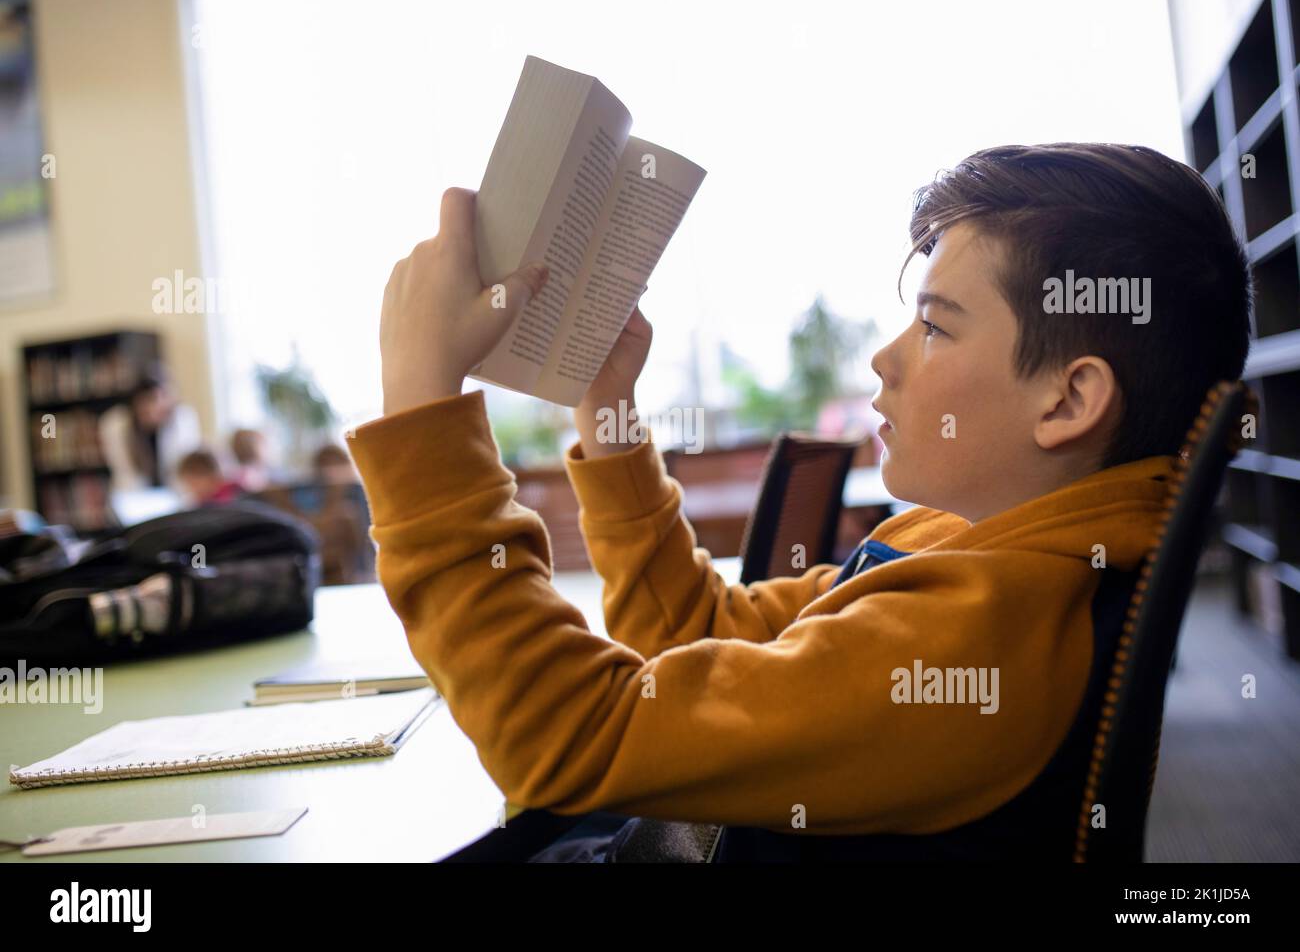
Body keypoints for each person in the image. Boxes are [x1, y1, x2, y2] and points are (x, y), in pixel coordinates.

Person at [346, 145, 1250, 861]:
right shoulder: (968, 547)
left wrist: (422, 405)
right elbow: (701, 632)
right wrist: (610, 410)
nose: (884, 358)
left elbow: (568, 736)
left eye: (935, 326)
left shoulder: (975, 641)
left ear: (1068, 401)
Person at [99, 365, 201, 493]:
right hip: (135, 497)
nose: (152, 408)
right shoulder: (116, 425)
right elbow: (124, 472)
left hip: (176, 496)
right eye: (146, 401)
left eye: (159, 399)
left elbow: (185, 466)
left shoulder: (182, 419)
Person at [176, 449, 244, 507]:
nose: (192, 489)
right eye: (188, 485)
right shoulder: (202, 502)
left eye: (194, 483)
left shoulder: (233, 494)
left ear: (212, 476)